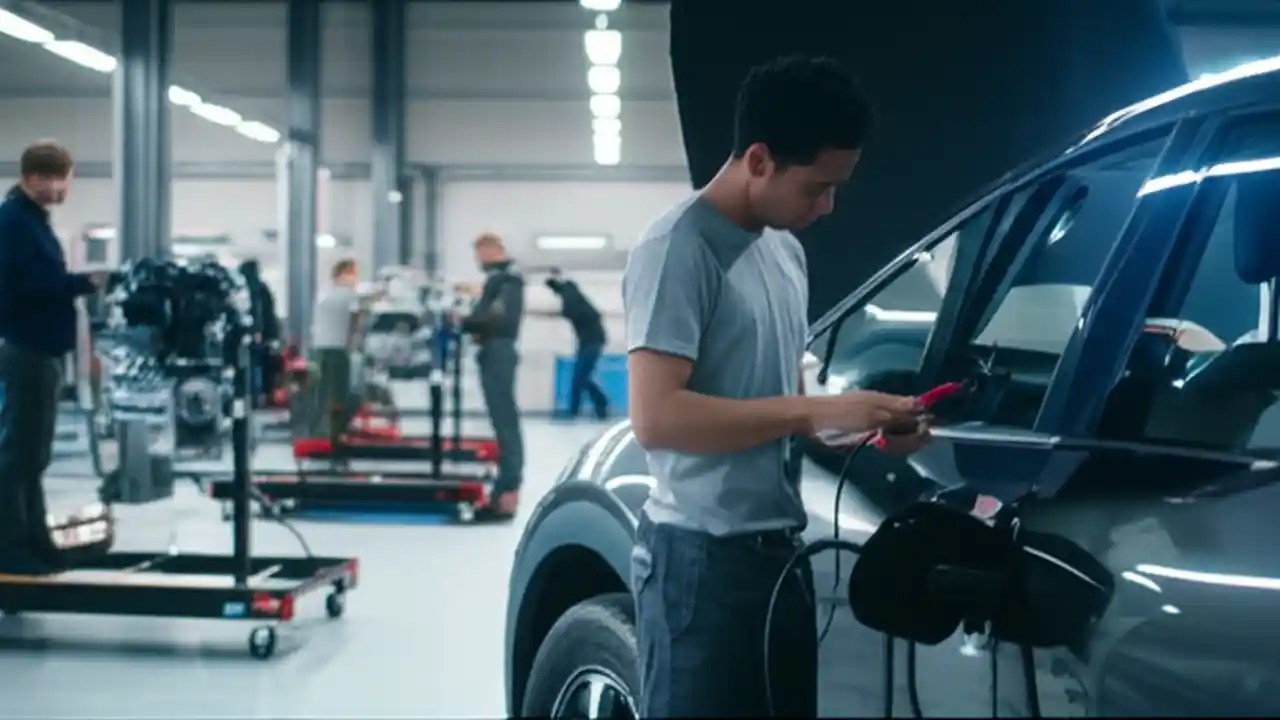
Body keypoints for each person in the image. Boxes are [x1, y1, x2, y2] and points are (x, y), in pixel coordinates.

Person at [622, 55, 932, 718]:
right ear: (759, 160)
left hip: (779, 559)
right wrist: (811, 412)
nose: (827, 206)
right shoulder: (677, 250)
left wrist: (865, 430)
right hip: (701, 566)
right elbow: (657, 417)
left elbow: (783, 405)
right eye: (817, 187)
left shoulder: (783, 250)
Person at [0, 140, 107, 574]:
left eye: (66, 179)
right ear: (30, 178)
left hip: (41, 349)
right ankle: (10, 547)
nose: (61, 188)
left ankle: (35, 541)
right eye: (53, 180)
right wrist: (81, 284)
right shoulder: (13, 223)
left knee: (34, 454)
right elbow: (22, 287)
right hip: (26, 347)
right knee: (18, 453)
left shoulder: (34, 221)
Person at [458, 232, 525, 521]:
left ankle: (507, 493)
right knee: (502, 422)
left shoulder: (506, 280)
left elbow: (496, 318)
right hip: (494, 352)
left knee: (505, 422)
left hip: (498, 352)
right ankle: (504, 492)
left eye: (479, 253)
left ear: (491, 250)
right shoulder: (501, 280)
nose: (477, 260)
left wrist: (464, 322)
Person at [309, 258, 373, 445]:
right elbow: (356, 321)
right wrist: (355, 343)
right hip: (339, 349)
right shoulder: (350, 294)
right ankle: (336, 434)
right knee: (341, 394)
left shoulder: (325, 292)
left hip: (319, 348)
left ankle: (318, 432)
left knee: (321, 393)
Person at [545, 268, 609, 420]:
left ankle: (583, 409)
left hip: (591, 341)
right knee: (581, 377)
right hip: (589, 341)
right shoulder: (576, 296)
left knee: (580, 377)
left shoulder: (571, 295)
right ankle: (597, 406)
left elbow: (569, 311)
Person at [238, 259, 281, 407]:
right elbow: (267, 313)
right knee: (257, 366)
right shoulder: (261, 288)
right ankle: (258, 397)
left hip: (247, 335)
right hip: (261, 335)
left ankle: (250, 397)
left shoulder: (244, 288)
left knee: (249, 366)